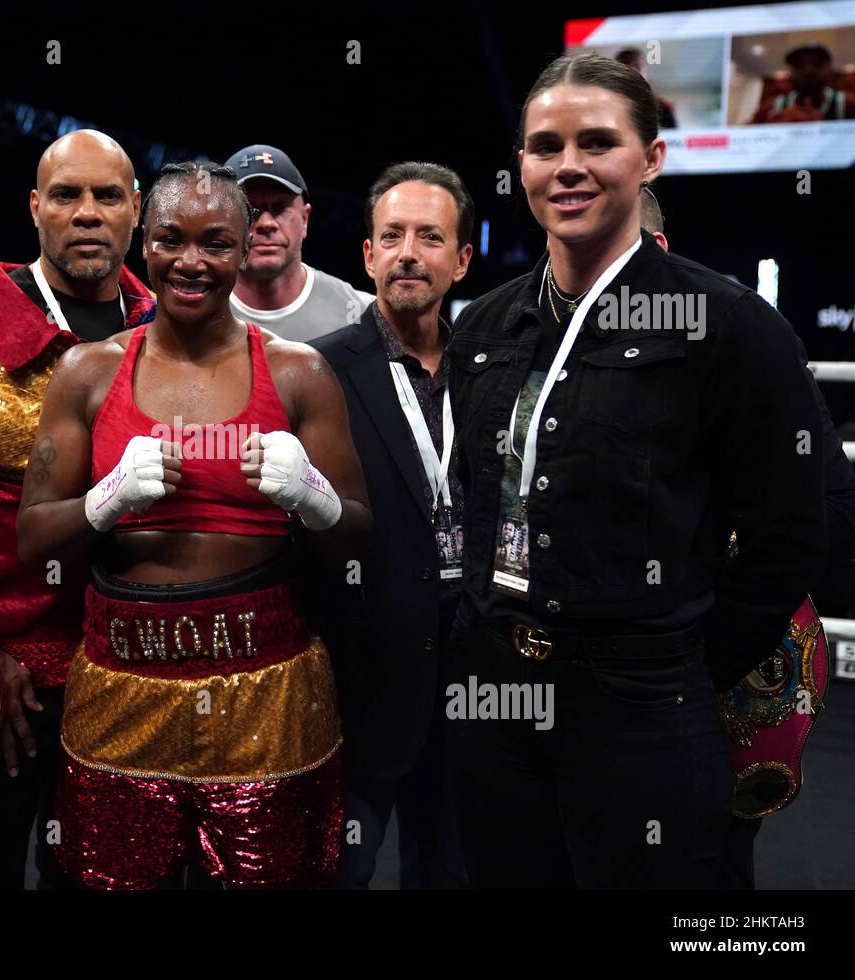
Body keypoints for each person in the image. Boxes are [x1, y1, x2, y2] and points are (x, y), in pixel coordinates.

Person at [446, 53, 825, 888]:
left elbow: (794, 530)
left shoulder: (728, 327)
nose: (568, 165)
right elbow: (477, 505)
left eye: (597, 142)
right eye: (546, 145)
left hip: (646, 706)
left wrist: (683, 664)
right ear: (521, 167)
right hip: (497, 700)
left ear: (651, 159)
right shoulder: (483, 329)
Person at [16, 160, 371, 889]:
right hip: (122, 680)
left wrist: (313, 497)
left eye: (215, 243)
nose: (192, 261)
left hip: (265, 683)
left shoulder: (300, 372)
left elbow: (360, 538)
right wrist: (102, 501)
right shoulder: (87, 371)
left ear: (244, 251)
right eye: (172, 239)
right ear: (144, 242)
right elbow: (31, 540)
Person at [0, 130, 156, 889]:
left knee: (112, 869)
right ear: (34, 208)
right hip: (6, 667)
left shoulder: (166, 321)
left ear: (136, 211)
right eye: (66, 195)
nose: (87, 213)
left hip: (133, 666)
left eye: (107, 196)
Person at [639, 188, 855, 888]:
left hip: (703, 681)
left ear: (659, 253)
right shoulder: (522, 341)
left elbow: (827, 516)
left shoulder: (743, 340)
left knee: (708, 868)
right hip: (570, 696)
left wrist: (710, 655)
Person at [309, 162, 473, 889]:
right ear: (368, 256)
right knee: (338, 870)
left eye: (431, 237)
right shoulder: (317, 371)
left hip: (475, 673)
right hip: (360, 675)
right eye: (393, 236)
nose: (410, 252)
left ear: (461, 260)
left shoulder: (492, 367)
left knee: (454, 872)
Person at [224, 144, 373, 343]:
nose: (266, 223)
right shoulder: (187, 315)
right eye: (249, 210)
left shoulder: (362, 314)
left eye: (280, 208)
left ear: (304, 219)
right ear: (219, 223)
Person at [752, 43, 849, 123]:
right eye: (799, 66)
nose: (808, 71)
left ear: (830, 69)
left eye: (817, 64)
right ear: (790, 72)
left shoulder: (848, 104)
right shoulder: (771, 107)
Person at [615, 49, 678, 129]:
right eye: (625, 65)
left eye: (637, 66)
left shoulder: (662, 108)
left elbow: (674, 139)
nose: (632, 70)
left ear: (646, 71)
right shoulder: (604, 105)